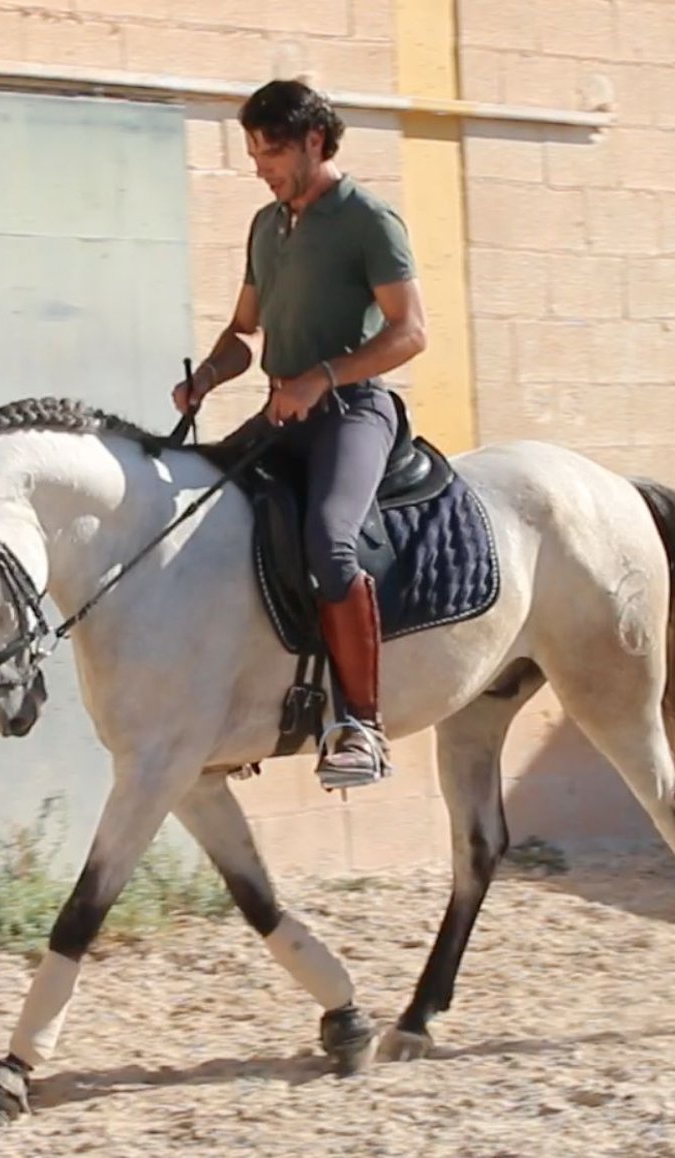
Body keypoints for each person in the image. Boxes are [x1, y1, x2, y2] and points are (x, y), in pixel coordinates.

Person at [172, 78, 428, 790]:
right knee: (200, 518)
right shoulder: (266, 226)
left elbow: (411, 334)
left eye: (273, 150)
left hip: (354, 415)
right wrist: (209, 378)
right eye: (254, 152)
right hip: (282, 411)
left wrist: (321, 376)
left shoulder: (368, 220)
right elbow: (243, 335)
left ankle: (361, 726)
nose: (262, 165)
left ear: (316, 141)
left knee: (329, 539)